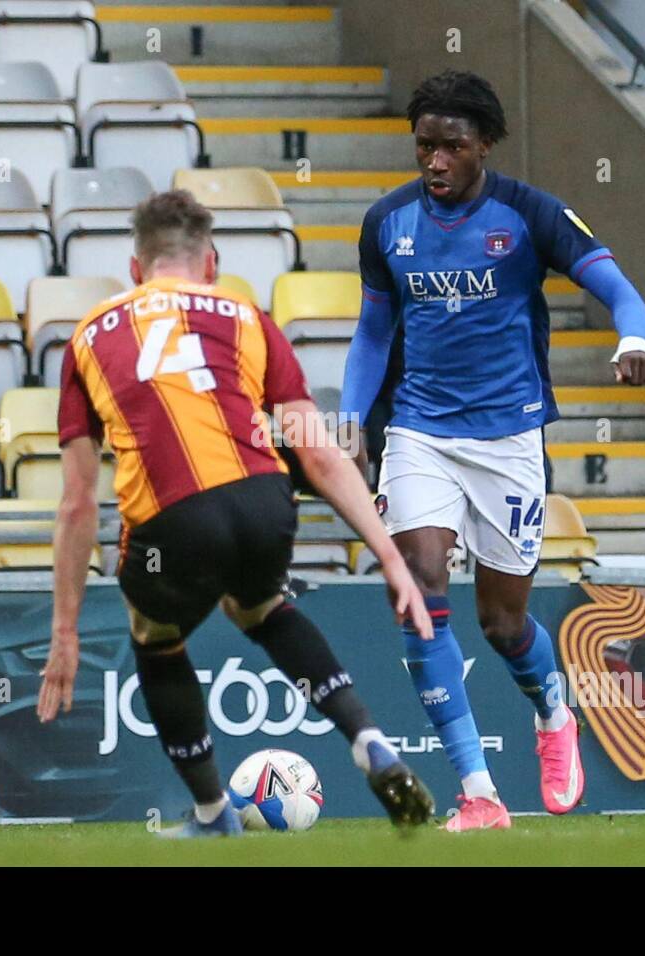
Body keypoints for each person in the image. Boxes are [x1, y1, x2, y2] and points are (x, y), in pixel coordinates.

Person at [38, 189, 436, 837]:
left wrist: (65, 631)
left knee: (155, 635)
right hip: (264, 502)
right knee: (261, 606)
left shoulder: (89, 335)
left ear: (135, 270)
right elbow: (322, 455)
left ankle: (212, 813)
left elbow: (79, 501)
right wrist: (389, 556)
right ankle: (367, 736)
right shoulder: (248, 316)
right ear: (211, 262)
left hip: (171, 521)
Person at [339, 70, 645, 830]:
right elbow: (374, 330)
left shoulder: (530, 214)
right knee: (416, 590)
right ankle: (478, 791)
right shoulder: (388, 223)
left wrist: (633, 333)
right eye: (424, 147)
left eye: (451, 147)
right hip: (419, 433)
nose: (435, 162)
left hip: (509, 439)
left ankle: (552, 713)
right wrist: (351, 415)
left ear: (484, 144)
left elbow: (617, 286)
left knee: (504, 623)